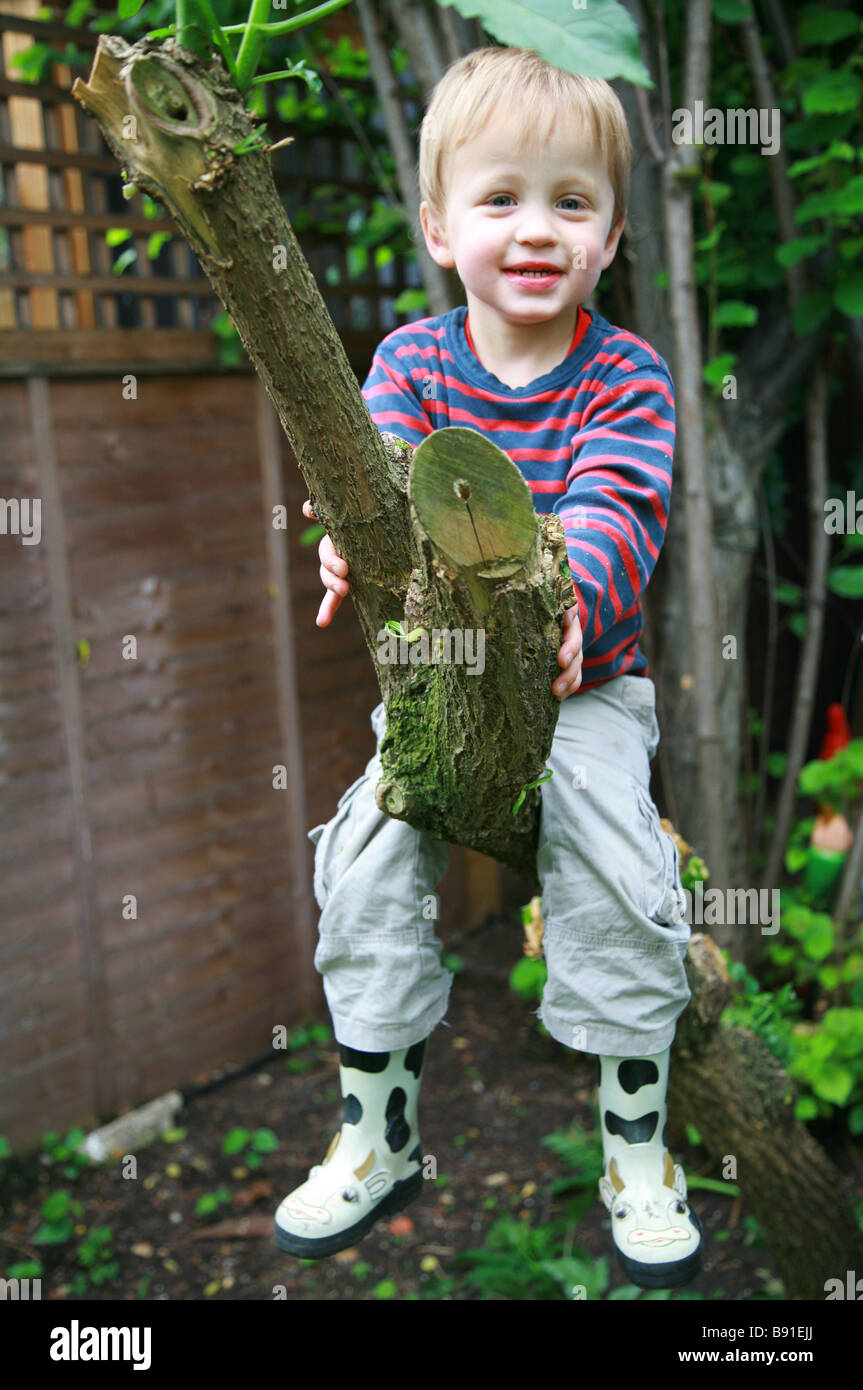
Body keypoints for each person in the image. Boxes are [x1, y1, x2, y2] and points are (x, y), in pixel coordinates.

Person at [274, 46, 703, 1290]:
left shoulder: (623, 376)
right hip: (436, 694)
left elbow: (622, 510)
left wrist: (574, 599)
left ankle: (637, 1150)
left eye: (569, 202)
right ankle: (378, 1130)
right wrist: (357, 552)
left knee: (620, 867)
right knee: (359, 858)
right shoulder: (411, 363)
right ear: (436, 224)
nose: (534, 229)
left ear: (611, 234)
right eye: (499, 198)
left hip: (584, 694)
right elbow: (383, 487)